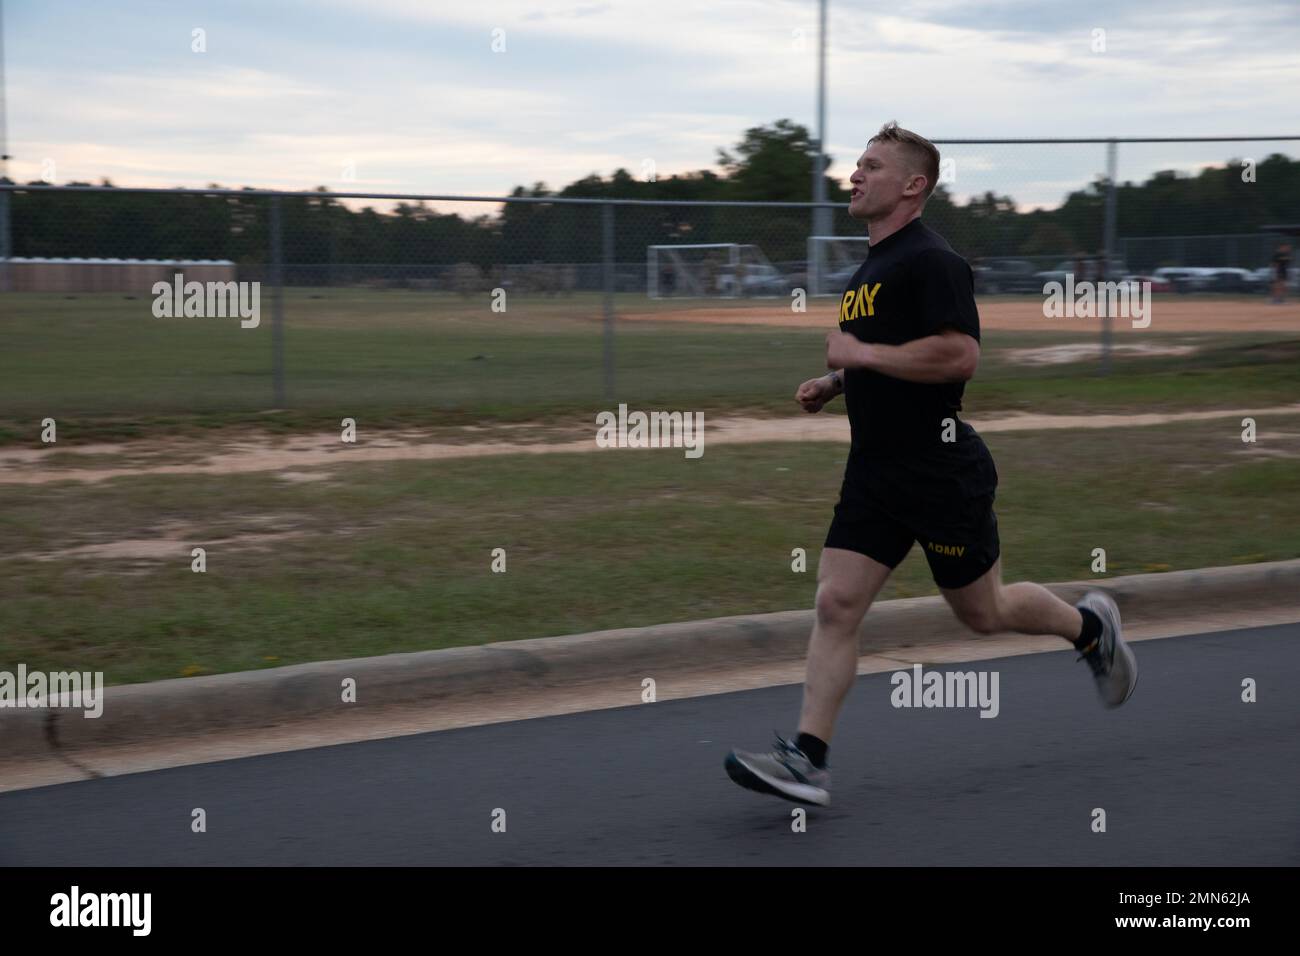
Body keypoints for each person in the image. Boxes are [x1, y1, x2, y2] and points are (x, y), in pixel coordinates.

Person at [725, 122, 1138, 807]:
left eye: (871, 166)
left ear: (913, 185)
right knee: (835, 602)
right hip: (876, 471)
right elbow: (893, 353)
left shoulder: (932, 260)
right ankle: (808, 759)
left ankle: (1092, 630)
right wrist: (835, 385)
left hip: (939, 471)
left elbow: (959, 356)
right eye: (856, 165)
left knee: (985, 611)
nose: (854, 177)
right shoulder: (871, 268)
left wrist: (857, 358)